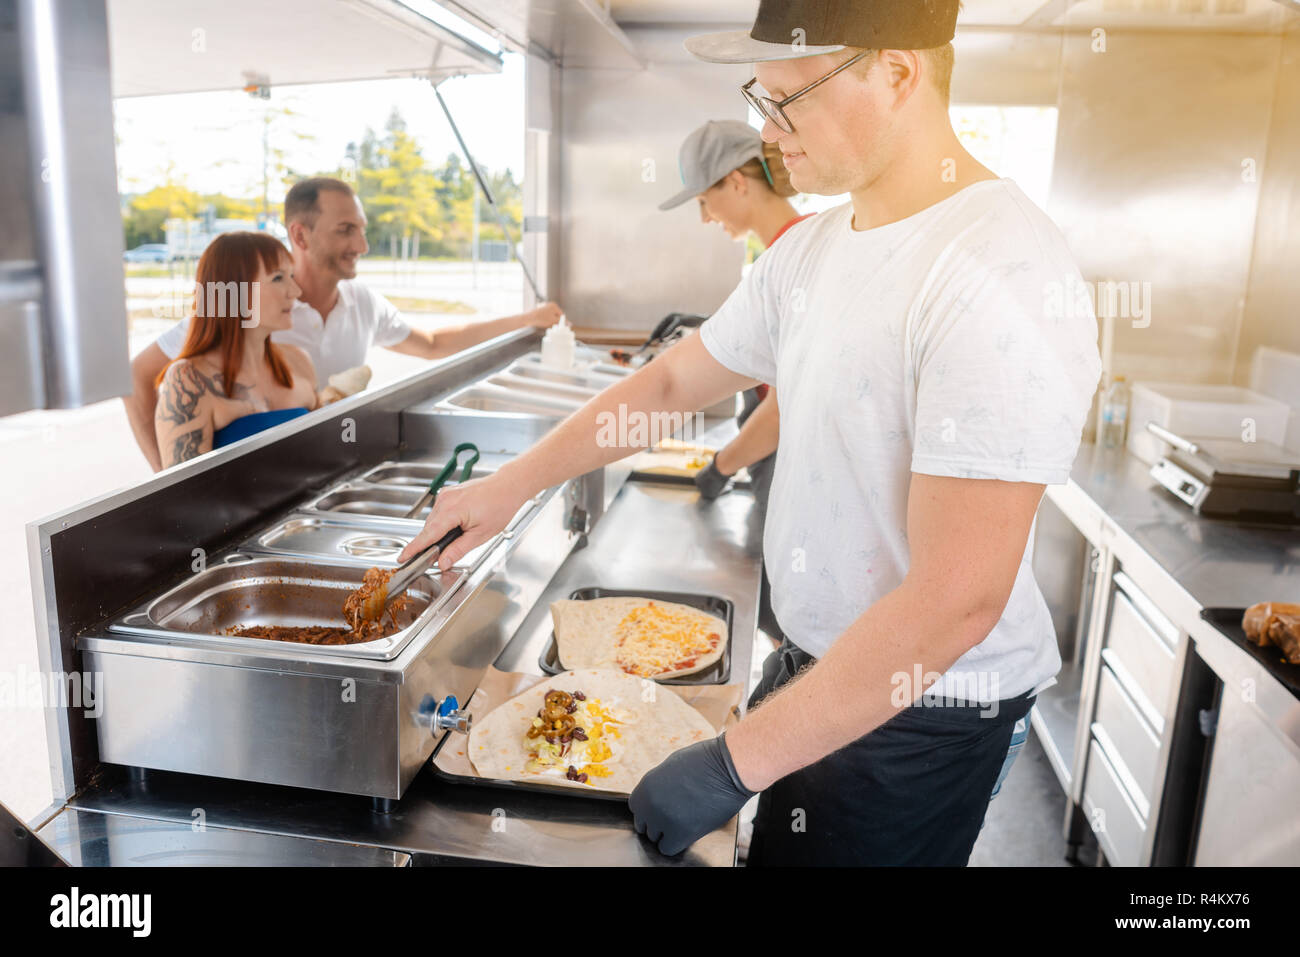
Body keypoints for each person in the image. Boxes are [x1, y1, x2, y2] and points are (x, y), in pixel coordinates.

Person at [398, 0, 1101, 866]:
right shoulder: (820, 248)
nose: (766, 132)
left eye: (789, 98)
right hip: (821, 671)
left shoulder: (999, 267)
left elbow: (954, 600)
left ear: (898, 70)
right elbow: (671, 381)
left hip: (924, 712)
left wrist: (732, 764)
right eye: (757, 98)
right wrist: (506, 486)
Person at [125, 176, 564, 471]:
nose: (363, 244)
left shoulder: (347, 317)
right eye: (346, 230)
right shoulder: (222, 332)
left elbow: (432, 343)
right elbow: (138, 377)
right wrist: (161, 475)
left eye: (362, 229)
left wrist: (527, 320)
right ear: (301, 235)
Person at [659, 118, 814, 645]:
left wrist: (719, 469)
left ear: (737, 181)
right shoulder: (785, 251)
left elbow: (786, 407)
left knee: (790, 624)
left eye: (705, 200)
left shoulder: (796, 255)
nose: (705, 217)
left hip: (795, 469)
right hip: (784, 470)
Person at [153, 232, 319, 469]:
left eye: (291, 276)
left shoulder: (299, 360)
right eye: (278, 278)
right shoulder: (187, 380)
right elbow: (184, 499)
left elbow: (326, 458)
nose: (295, 291)